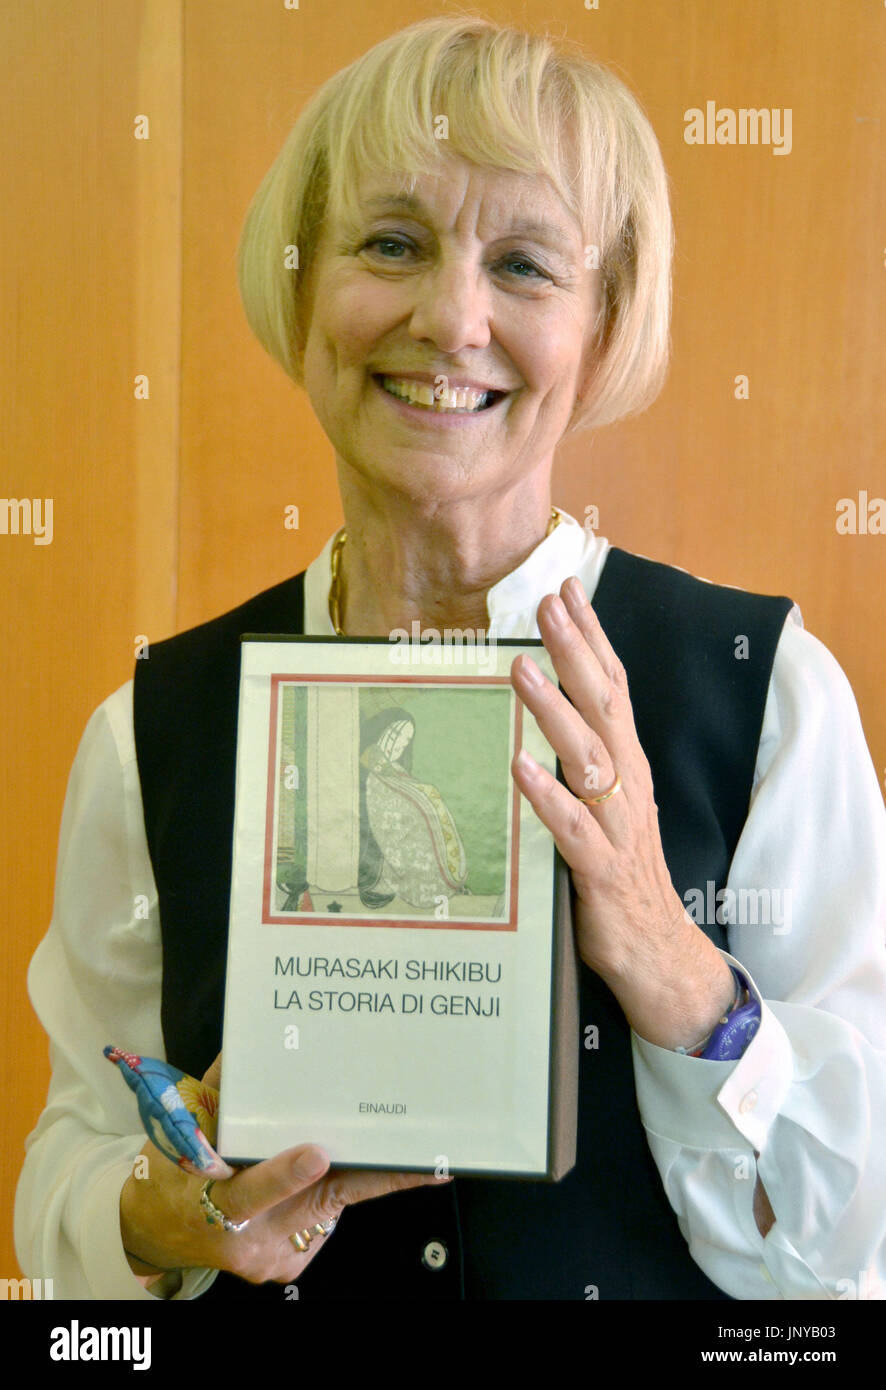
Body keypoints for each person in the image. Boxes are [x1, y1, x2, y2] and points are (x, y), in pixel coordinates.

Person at [15, 15, 886, 1301]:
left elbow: (849, 1261)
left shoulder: (765, 697)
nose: (451, 318)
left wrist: (680, 968)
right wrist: (161, 1216)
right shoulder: (153, 732)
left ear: (601, 321)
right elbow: (66, 1190)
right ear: (304, 282)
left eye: (526, 264)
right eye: (391, 244)